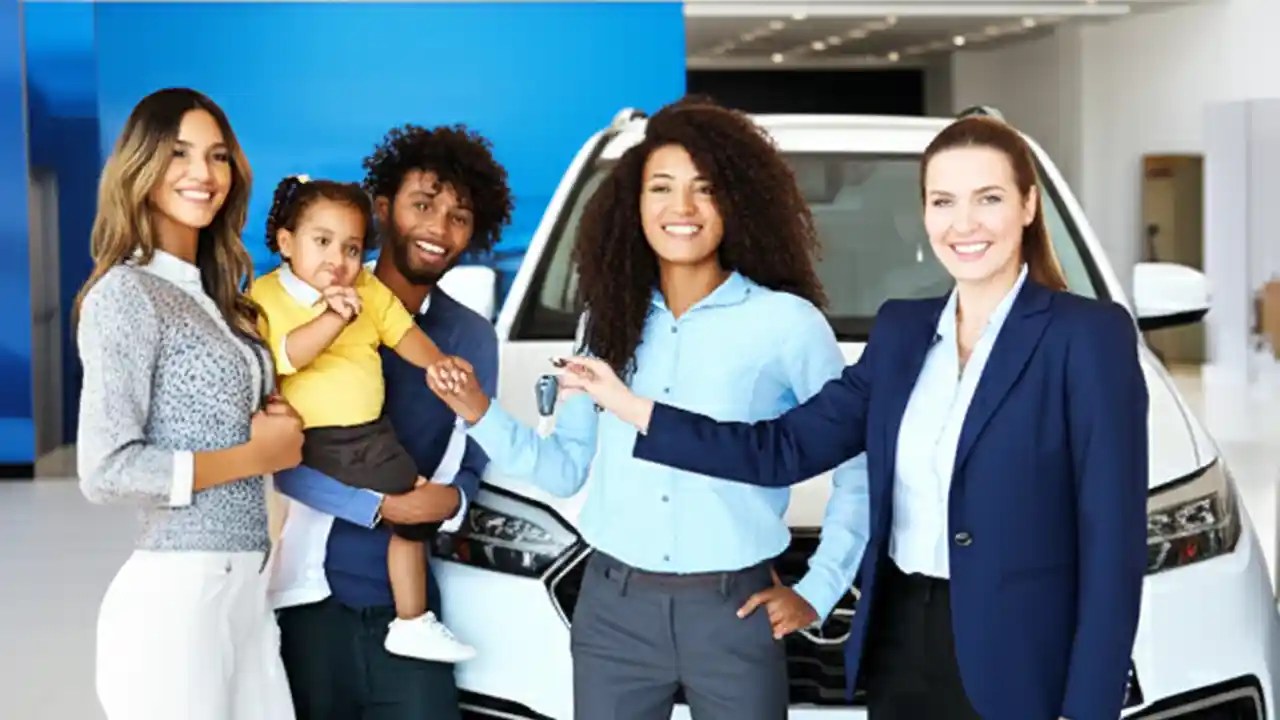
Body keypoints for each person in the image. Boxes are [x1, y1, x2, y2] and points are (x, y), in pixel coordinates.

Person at [529, 115, 1151, 720]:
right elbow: (779, 450)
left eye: (987, 199)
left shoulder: (1087, 337)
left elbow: (1112, 543)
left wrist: (1088, 707)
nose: (964, 223)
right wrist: (631, 405)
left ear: (1028, 205)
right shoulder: (903, 334)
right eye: (943, 201)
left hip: (1022, 656)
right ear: (926, 214)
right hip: (902, 648)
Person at [427, 97, 870, 720]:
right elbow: (564, 469)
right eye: (661, 187)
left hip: (734, 612)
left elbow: (858, 465)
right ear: (633, 204)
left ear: (736, 201)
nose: (680, 208)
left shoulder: (787, 325)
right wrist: (479, 412)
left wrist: (818, 590)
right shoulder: (607, 319)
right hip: (613, 612)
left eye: (703, 188)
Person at [269, 123, 511, 719]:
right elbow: (272, 448)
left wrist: (451, 500)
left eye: (459, 216)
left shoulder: (469, 339)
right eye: (423, 205)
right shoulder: (302, 315)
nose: (440, 228)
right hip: (311, 595)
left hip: (410, 605)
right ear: (382, 210)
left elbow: (472, 457)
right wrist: (375, 507)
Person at [74, 87, 302, 719]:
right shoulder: (126, 294)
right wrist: (254, 454)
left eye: (218, 156)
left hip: (246, 590)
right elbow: (107, 470)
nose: (203, 174)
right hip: (178, 599)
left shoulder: (222, 298)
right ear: (141, 166)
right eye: (179, 154)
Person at [251, 174, 473, 663]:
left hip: (370, 433)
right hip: (319, 437)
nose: (338, 260)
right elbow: (286, 355)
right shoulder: (268, 296)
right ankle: (412, 619)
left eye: (352, 248)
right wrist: (333, 317)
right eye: (322, 242)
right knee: (410, 503)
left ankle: (411, 619)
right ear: (286, 243)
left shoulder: (366, 288)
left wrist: (437, 362)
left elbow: (400, 332)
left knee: (412, 510)